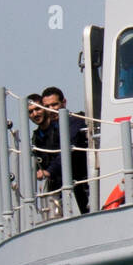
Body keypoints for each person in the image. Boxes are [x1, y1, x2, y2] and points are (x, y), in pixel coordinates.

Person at [32, 86, 91, 214]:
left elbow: (67, 148)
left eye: (55, 104)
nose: (51, 109)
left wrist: (49, 171)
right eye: (47, 106)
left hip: (82, 183)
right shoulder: (45, 133)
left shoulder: (75, 121)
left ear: (64, 103)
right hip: (61, 188)